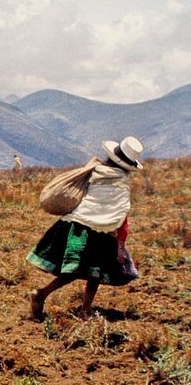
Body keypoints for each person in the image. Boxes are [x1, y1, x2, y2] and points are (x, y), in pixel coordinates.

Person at [27, 136, 144, 320]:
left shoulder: (94, 172)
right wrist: (120, 246)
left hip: (76, 226)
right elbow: (122, 218)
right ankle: (70, 304)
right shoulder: (120, 185)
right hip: (100, 232)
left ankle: (50, 297)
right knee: (93, 272)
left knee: (77, 270)